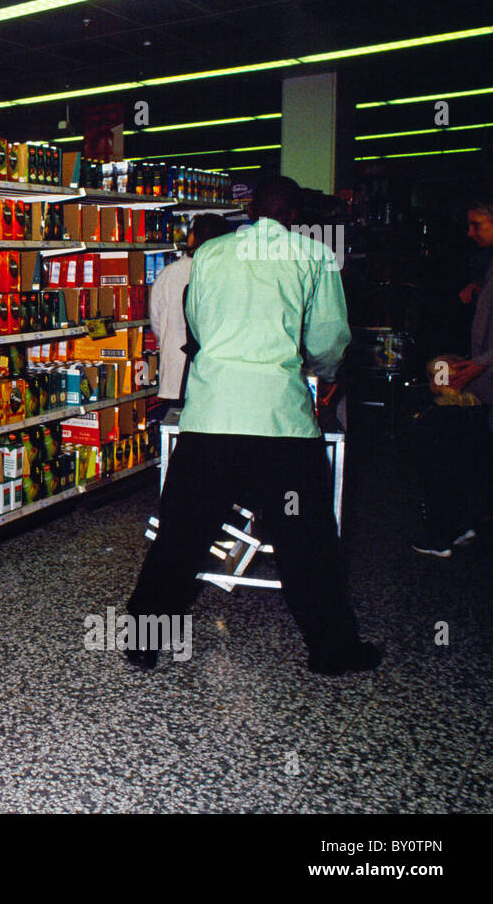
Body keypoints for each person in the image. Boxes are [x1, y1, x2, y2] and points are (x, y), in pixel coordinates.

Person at [124, 175, 379, 676]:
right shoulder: (312, 257)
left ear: (250, 210)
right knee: (307, 543)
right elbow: (329, 337)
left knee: (180, 535)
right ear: (294, 213)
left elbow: (194, 323)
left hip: (212, 418)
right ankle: (332, 650)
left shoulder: (212, 254)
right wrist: (322, 374)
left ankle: (144, 641)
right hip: (279, 423)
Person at [410, 196, 493, 557]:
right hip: (481, 368)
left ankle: (442, 531)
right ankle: (464, 521)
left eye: (478, 224)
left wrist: (481, 364)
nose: (471, 232)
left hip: (484, 371)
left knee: (446, 446)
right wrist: (477, 286)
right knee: (470, 451)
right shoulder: (486, 263)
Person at [149, 213, 231, 410]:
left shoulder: (169, 273)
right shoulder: (225, 271)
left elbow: (157, 321)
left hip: (176, 377)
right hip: (215, 378)